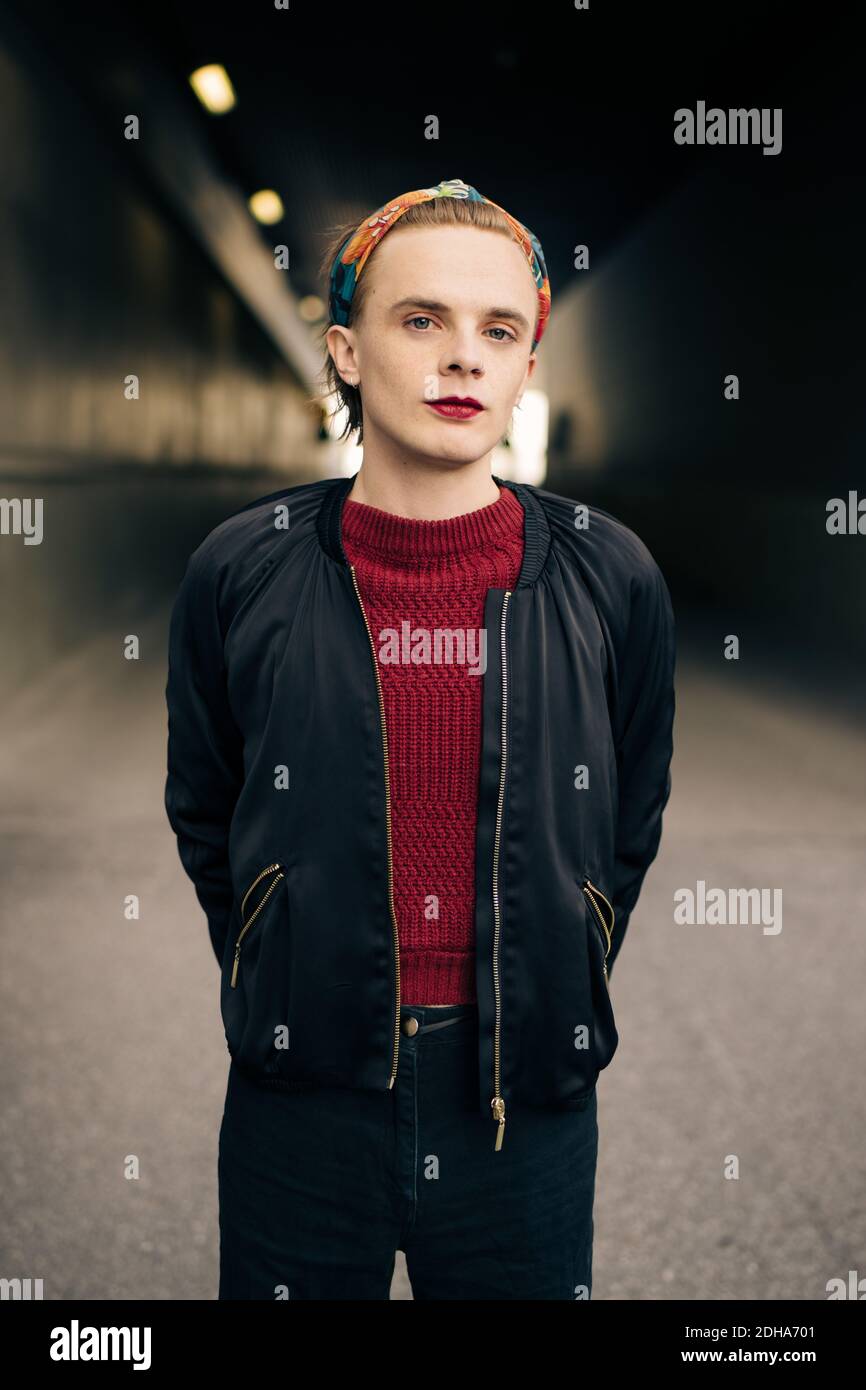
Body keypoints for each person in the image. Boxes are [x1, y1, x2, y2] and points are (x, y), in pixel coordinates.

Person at [164, 177, 676, 1300]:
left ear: (527, 363)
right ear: (344, 351)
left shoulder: (609, 572)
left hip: (522, 1102)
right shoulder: (242, 568)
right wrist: (277, 952)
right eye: (419, 320)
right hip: (302, 1097)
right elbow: (208, 806)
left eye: (498, 330)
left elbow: (626, 814)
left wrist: (564, 957)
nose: (463, 358)